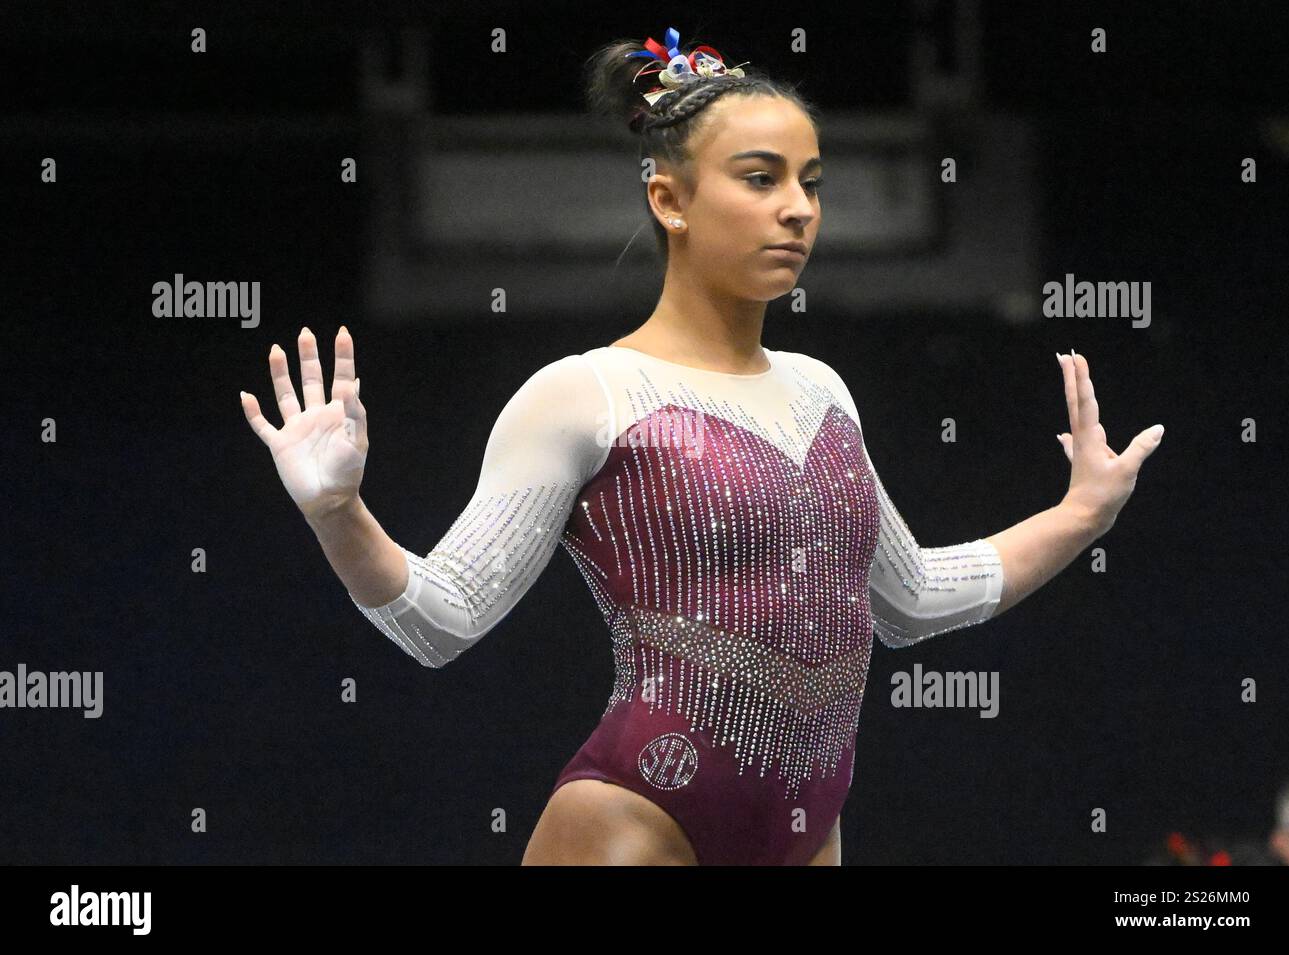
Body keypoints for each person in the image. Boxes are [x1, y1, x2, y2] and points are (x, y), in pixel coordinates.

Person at [238, 28, 1165, 865]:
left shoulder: (822, 392)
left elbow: (912, 598)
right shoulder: (585, 395)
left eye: (811, 183)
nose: (797, 209)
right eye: (761, 179)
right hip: (634, 820)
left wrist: (1080, 512)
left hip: (809, 834)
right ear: (670, 199)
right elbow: (439, 620)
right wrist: (337, 511)